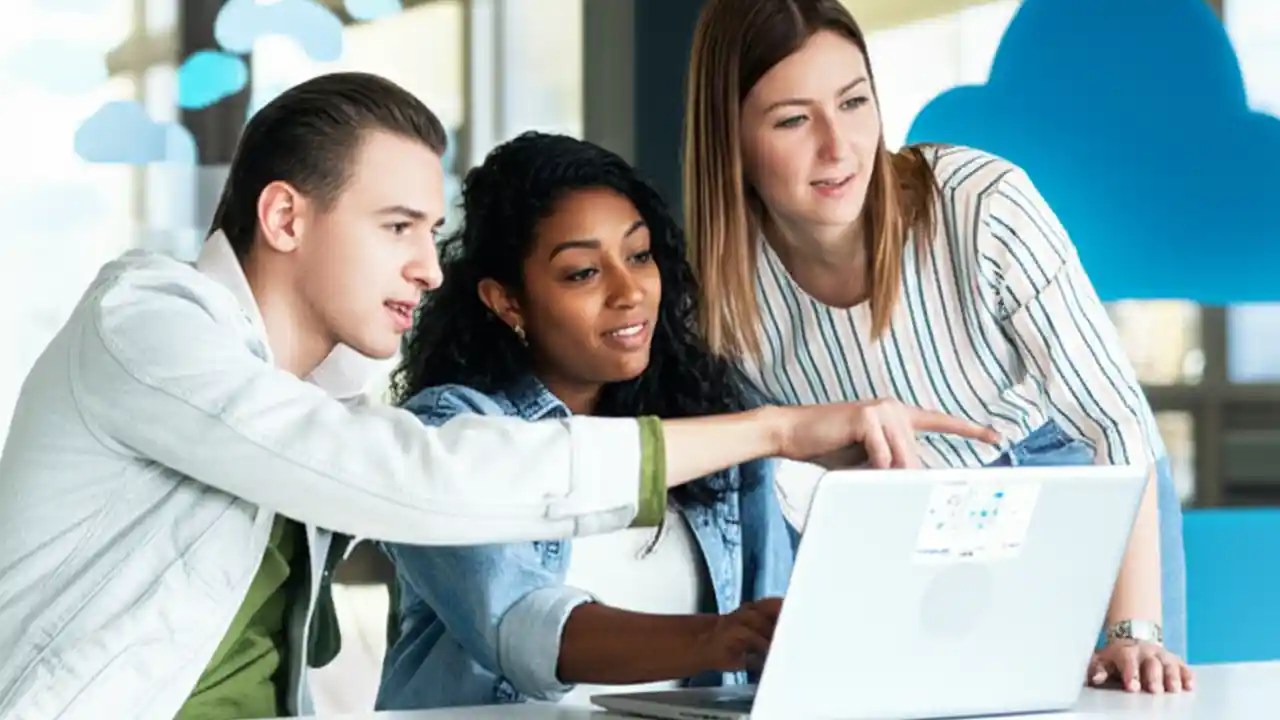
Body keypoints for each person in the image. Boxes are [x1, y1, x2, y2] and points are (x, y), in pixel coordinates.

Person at [0, 72, 995, 720]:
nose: (422, 267)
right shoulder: (146, 324)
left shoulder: (319, 394)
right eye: (395, 227)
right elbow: (428, 480)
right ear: (283, 216)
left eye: (428, 233)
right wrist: (774, 428)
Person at [681, 0, 1192, 695]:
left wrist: (1134, 633)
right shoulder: (718, 295)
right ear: (730, 138)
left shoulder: (981, 204)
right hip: (910, 532)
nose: (839, 146)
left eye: (854, 101)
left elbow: (1114, 425)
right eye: (793, 119)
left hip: (1080, 493)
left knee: (1129, 700)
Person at [376, 132, 815, 710]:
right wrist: (715, 639)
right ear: (507, 301)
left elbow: (787, 610)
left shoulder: (715, 416)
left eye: (638, 255)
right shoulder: (447, 433)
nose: (629, 291)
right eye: (583, 272)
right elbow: (524, 624)